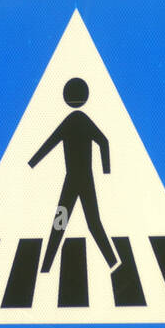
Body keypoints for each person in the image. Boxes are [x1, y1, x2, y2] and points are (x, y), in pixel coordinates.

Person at [28, 77, 121, 274]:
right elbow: (103, 141)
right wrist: (105, 170)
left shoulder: (73, 121)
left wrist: (33, 163)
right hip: (82, 179)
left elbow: (50, 143)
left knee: (63, 223)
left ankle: (46, 267)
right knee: (89, 222)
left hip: (75, 180)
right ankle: (112, 262)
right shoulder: (80, 120)